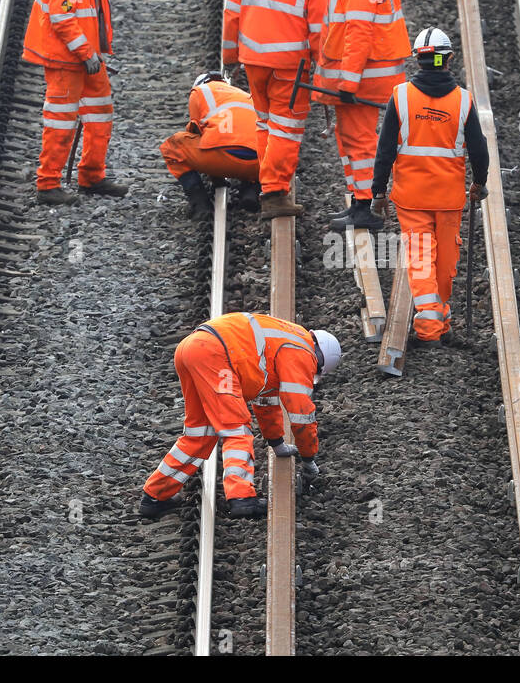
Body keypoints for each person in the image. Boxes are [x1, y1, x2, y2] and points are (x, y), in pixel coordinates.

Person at [138, 313, 342, 520]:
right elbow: (301, 415)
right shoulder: (301, 352)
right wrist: (309, 458)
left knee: (200, 433)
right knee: (236, 429)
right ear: (319, 360)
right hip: (215, 354)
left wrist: (277, 443)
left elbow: (266, 403)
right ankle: (241, 498)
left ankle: (154, 497)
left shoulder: (285, 340)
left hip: (190, 349)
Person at [370, 28, 488, 346]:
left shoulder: (401, 97)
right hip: (450, 198)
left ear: (418, 61)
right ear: (448, 59)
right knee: (447, 261)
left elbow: (385, 150)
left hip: (411, 197)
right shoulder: (463, 101)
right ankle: (440, 322)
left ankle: (430, 328)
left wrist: (378, 192)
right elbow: (479, 149)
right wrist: (479, 183)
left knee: (421, 258)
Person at [296, 0, 411, 231]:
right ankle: (361, 201)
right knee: (350, 137)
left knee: (359, 140)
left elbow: (358, 33)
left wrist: (347, 82)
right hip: (372, 75)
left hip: (365, 78)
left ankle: (370, 207)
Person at [22, 0, 129, 205]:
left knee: (100, 112)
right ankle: (48, 185)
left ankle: (91, 176)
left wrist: (93, 54)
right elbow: (61, 16)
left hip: (86, 57)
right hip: (67, 57)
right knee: (61, 120)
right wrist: (85, 53)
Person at [221, 0, 328, 219]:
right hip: (289, 67)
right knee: (286, 128)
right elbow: (320, 32)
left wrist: (230, 57)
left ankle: (266, 180)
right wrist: (324, 70)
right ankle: (274, 191)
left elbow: (232, 12)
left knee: (265, 123)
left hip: (253, 60)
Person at [160, 72, 261, 220]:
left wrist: (217, 176)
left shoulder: (200, 91)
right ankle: (251, 191)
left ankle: (200, 205)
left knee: (173, 146)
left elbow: (198, 134)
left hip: (220, 157)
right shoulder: (245, 95)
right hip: (258, 165)